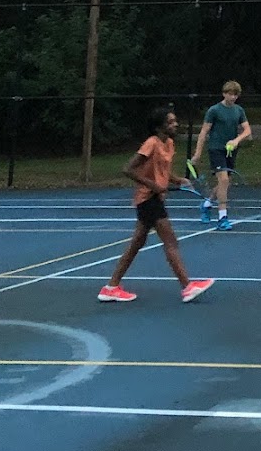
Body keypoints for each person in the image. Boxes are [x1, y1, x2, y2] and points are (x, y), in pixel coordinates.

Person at [98, 105, 215, 303]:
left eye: (174, 120)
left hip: (155, 199)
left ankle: (111, 286)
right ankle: (187, 287)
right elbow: (128, 169)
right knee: (170, 241)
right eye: (170, 122)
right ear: (159, 126)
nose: (175, 124)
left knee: (137, 243)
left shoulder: (168, 143)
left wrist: (177, 180)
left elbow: (162, 171)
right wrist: (153, 185)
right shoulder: (151, 143)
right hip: (148, 199)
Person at [191, 80, 251, 230]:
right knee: (223, 179)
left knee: (224, 183)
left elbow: (247, 130)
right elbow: (204, 132)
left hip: (231, 150)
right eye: (230, 94)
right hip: (216, 148)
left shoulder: (239, 110)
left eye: (235, 95)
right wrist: (197, 153)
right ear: (224, 94)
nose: (232, 97)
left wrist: (236, 140)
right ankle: (222, 217)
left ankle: (206, 204)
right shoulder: (214, 110)